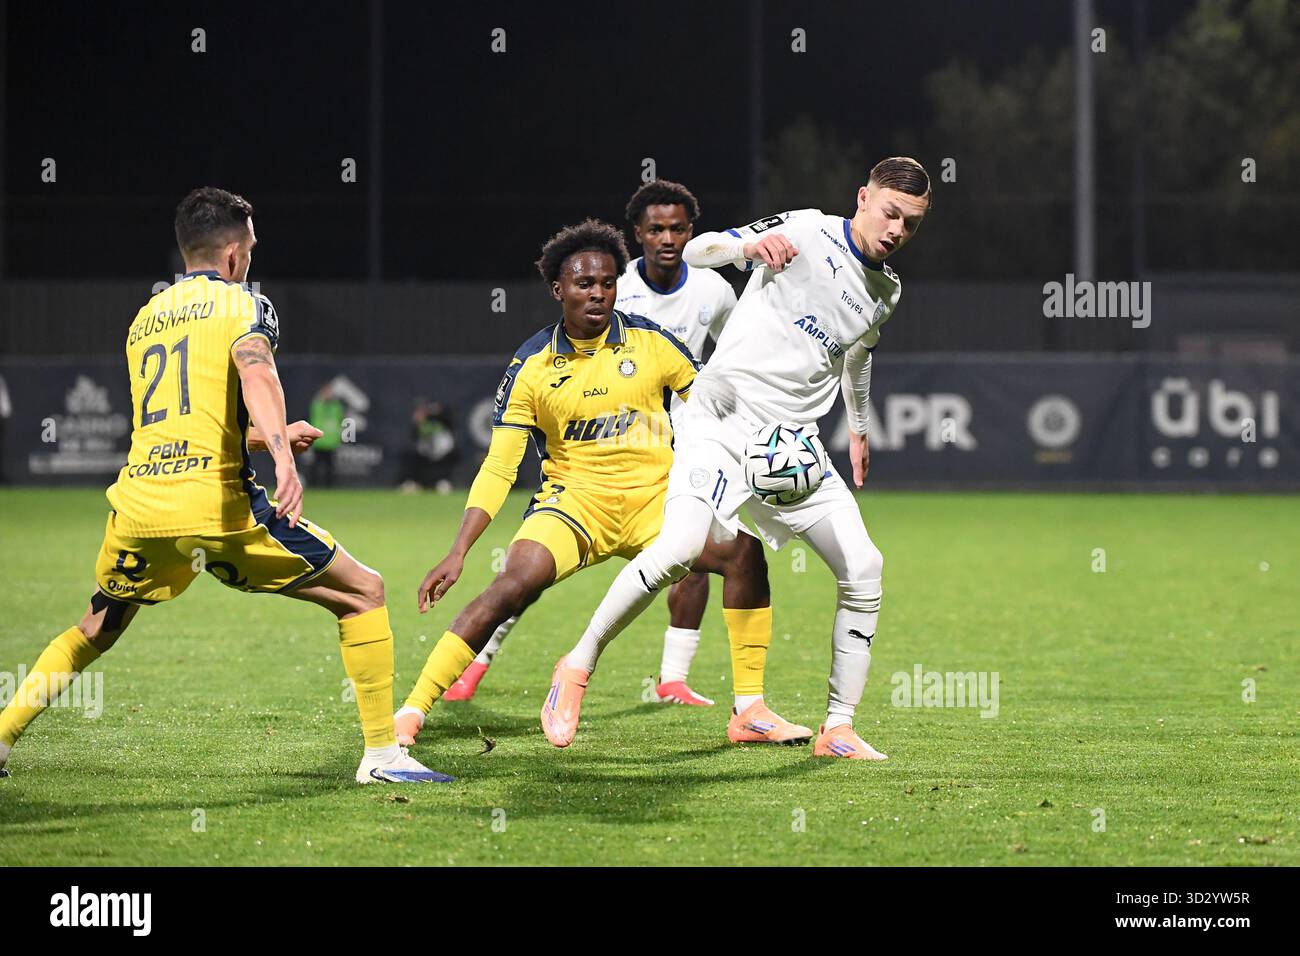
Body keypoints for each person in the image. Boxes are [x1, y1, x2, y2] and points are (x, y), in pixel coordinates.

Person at [0, 187, 443, 784]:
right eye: (252, 249)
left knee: (95, 627)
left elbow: (185, 421)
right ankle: (382, 757)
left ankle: (3, 737)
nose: (252, 260)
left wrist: (266, 436)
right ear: (234, 254)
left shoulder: (143, 320)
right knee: (364, 591)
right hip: (217, 509)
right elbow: (255, 369)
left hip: (139, 508)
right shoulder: (243, 306)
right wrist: (282, 457)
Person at [544, 158, 933, 759]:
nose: (897, 231)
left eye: (910, 223)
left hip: (791, 449)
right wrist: (750, 244)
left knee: (865, 567)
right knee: (677, 551)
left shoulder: (887, 290)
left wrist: (858, 427)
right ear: (862, 198)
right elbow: (702, 250)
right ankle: (575, 666)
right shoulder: (807, 230)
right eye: (890, 213)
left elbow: (859, 357)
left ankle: (838, 727)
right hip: (721, 420)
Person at [394, 220, 808, 749]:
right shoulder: (531, 366)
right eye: (584, 283)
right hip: (574, 508)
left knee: (744, 553)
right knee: (513, 585)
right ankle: (413, 710)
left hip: (655, 502)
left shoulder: (651, 342)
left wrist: (754, 436)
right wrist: (459, 551)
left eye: (608, 282)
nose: (598, 293)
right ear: (558, 290)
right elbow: (500, 467)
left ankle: (749, 710)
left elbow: (712, 401)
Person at [442, 180, 737, 707]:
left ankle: (673, 678)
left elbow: (735, 351)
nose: (667, 239)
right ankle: (478, 661)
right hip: (601, 445)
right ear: (638, 236)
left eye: (677, 229)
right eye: (656, 229)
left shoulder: (713, 289)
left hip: (675, 438)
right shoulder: (615, 285)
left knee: (698, 549)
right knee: (529, 573)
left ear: (691, 233)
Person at [307, 382, 345, 487]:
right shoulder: (317, 405)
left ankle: (329, 487)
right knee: (315, 466)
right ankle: (312, 486)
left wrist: (339, 438)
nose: (328, 394)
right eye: (326, 392)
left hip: (331, 442)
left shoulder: (336, 407)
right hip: (319, 442)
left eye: (329, 392)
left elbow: (339, 422)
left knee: (330, 467)